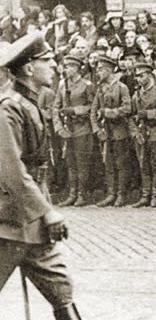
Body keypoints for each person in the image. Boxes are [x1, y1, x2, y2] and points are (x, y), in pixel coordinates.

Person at [0, 31, 135, 320]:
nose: (53, 65)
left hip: (27, 224)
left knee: (60, 287)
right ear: (29, 69)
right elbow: (12, 172)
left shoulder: (28, 103)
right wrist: (46, 211)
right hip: (7, 223)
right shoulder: (9, 110)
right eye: (46, 61)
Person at [90, 52, 133, 207]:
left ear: (108, 70)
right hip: (105, 133)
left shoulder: (122, 87)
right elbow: (94, 110)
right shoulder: (100, 89)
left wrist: (109, 113)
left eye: (101, 69)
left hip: (120, 131)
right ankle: (111, 194)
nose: (98, 72)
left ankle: (121, 195)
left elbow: (127, 109)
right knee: (108, 164)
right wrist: (97, 130)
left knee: (121, 164)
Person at [53, 51, 95, 207]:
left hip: (82, 128)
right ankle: (72, 194)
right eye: (65, 66)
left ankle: (81, 195)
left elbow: (92, 107)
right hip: (67, 128)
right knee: (70, 163)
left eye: (70, 66)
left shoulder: (87, 85)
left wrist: (76, 110)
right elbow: (55, 107)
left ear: (77, 68)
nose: (66, 69)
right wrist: (59, 128)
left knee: (81, 162)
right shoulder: (63, 85)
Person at [130, 59, 156, 208]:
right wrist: (135, 132)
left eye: (141, 76)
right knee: (143, 165)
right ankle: (145, 195)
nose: (139, 79)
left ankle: (155, 196)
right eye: (137, 76)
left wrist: (148, 114)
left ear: (149, 75)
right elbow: (131, 117)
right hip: (142, 134)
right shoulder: (136, 96)